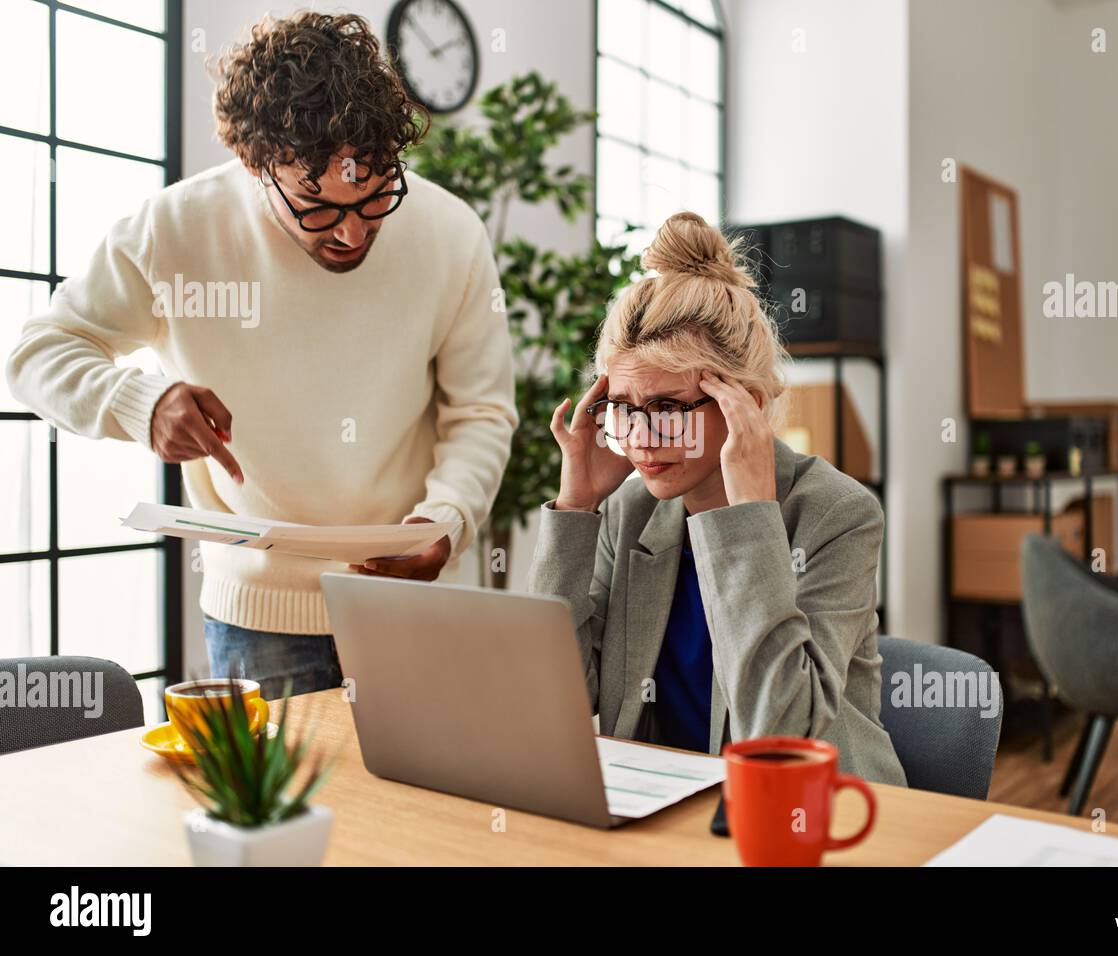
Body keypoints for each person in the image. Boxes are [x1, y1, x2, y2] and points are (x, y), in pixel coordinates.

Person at [5, 12, 518, 698]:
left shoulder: (450, 231)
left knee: (432, 806)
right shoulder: (174, 230)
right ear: (254, 163)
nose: (351, 231)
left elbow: (481, 410)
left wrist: (447, 519)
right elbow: (37, 352)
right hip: (263, 620)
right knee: (280, 806)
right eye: (316, 204)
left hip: (422, 600)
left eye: (373, 198)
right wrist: (140, 402)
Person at [527, 211, 905, 784]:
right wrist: (576, 509)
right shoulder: (630, 513)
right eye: (625, 408)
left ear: (744, 404)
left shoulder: (836, 514)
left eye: (669, 409)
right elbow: (556, 700)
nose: (641, 439)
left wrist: (747, 518)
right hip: (670, 810)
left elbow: (782, 734)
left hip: (815, 817)